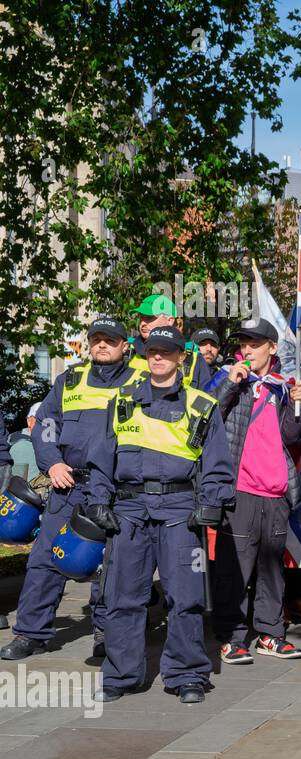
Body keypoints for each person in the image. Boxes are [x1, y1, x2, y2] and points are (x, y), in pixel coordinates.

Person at [82, 325, 234, 703]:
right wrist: (99, 499)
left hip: (180, 512)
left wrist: (211, 503)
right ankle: (121, 674)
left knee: (186, 599)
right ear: (144, 354)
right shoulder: (122, 400)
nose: (159, 357)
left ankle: (188, 675)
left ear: (182, 357)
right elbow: (101, 460)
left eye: (167, 351)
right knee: (122, 597)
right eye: (152, 351)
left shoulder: (201, 404)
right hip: (129, 511)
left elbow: (217, 464)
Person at [1, 318, 139, 662]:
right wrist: (52, 464)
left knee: (110, 565)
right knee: (45, 558)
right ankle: (31, 633)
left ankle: (106, 632)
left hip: (115, 490)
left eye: (110, 340)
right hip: (67, 484)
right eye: (96, 340)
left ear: (125, 345)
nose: (101, 346)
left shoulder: (142, 381)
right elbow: (45, 425)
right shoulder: (70, 380)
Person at [210, 318, 301, 665]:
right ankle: (231, 636)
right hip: (241, 489)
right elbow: (208, 416)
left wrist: (299, 404)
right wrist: (230, 385)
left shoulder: (283, 386)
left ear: (271, 347)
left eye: (254, 343)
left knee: (271, 569)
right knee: (234, 567)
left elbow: (292, 437)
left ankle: (270, 633)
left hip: (277, 490)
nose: (247, 350)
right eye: (243, 344)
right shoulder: (230, 378)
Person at [127, 295, 211, 389]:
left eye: (150, 318)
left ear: (170, 320)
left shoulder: (192, 357)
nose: (143, 323)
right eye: (141, 317)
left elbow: (205, 398)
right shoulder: (127, 351)